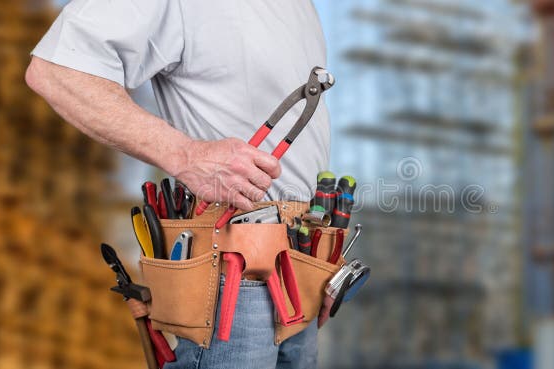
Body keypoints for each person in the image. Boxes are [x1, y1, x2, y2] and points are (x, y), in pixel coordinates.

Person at [26, 1, 335, 368]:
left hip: (302, 267)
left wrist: (324, 266)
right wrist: (187, 155)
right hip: (231, 268)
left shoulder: (301, 8)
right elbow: (56, 71)